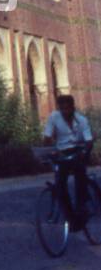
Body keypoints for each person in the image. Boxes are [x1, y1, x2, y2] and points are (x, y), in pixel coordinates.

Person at [43, 94, 93, 228]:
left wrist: (84, 152)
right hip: (63, 151)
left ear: (73, 108)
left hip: (79, 150)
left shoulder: (81, 120)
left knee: (79, 173)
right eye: (62, 109)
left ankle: (82, 205)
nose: (65, 112)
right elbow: (47, 137)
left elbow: (89, 141)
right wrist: (49, 145)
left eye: (67, 109)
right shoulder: (54, 117)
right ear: (59, 109)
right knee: (60, 184)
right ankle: (72, 218)